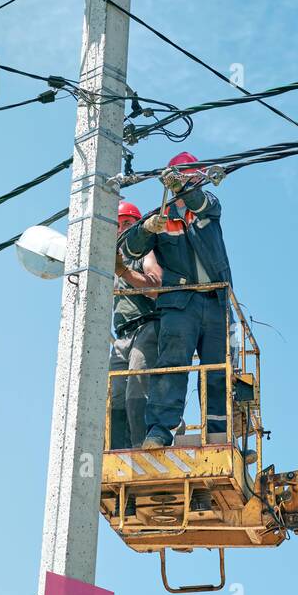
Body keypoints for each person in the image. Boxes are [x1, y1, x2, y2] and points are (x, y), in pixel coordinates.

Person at [122, 153, 235, 455]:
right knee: (171, 365)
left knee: (218, 372)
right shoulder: (160, 217)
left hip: (216, 301)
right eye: (189, 175)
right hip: (180, 304)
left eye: (194, 175)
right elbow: (131, 249)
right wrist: (146, 229)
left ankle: (218, 436)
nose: (195, 179)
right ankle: (160, 431)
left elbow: (201, 202)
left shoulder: (207, 207)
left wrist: (180, 186)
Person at [108, 201, 160, 450]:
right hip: (121, 335)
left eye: (127, 223)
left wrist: (125, 272)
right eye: (117, 225)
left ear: (137, 225)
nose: (121, 230)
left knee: (137, 388)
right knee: (115, 395)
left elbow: (156, 287)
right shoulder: (108, 261)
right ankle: (118, 451)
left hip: (146, 327)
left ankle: (141, 447)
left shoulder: (143, 252)